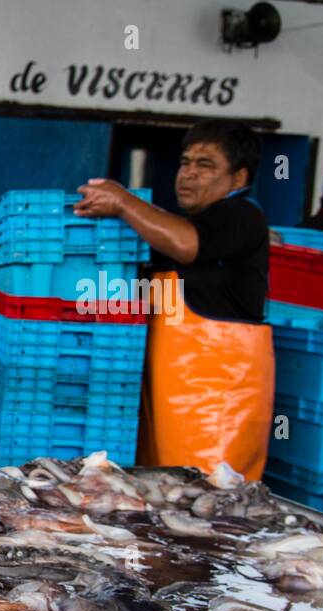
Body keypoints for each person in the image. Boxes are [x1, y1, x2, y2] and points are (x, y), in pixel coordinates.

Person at [75, 119, 271, 480]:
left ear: (239, 178)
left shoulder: (241, 216)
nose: (189, 174)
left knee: (211, 510)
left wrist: (121, 201)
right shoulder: (193, 223)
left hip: (216, 416)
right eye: (185, 162)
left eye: (205, 165)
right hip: (170, 411)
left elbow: (185, 245)